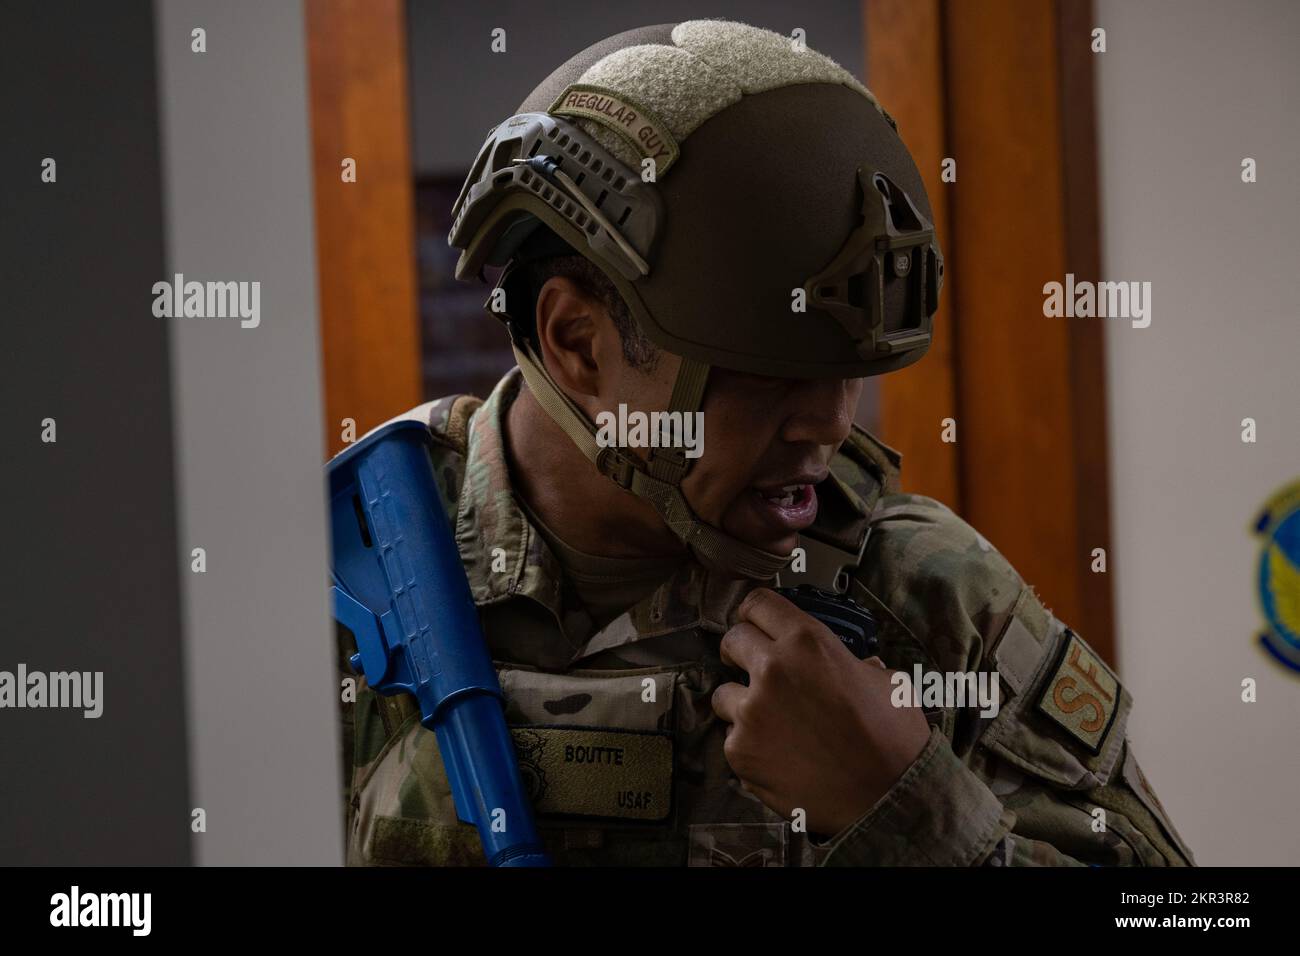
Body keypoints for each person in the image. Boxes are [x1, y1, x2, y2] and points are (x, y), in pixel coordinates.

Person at [336, 19, 1194, 866]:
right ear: (578, 343)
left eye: (845, 376)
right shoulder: (352, 578)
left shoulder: (922, 597)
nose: (828, 423)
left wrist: (904, 811)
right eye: (763, 375)